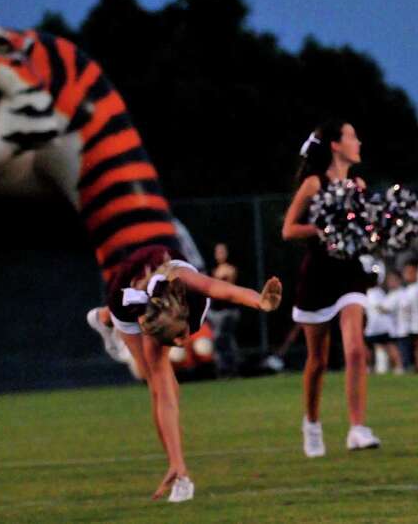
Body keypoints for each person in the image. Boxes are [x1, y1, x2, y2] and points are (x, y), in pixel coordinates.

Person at [100, 244, 281, 502]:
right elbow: (163, 396)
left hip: (159, 270)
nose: (181, 343)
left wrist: (260, 301)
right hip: (130, 295)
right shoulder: (134, 309)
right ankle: (105, 318)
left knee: (167, 386)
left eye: (180, 336)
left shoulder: (188, 284)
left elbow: (225, 291)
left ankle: (100, 317)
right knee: (156, 383)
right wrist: (177, 462)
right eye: (173, 341)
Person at [281, 120, 381, 457]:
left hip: (350, 272)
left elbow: (367, 229)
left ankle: (357, 428)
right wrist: (321, 228)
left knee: (355, 349)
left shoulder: (359, 184)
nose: (359, 142)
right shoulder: (313, 183)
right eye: (353, 136)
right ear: (336, 145)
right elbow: (288, 230)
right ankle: (311, 422)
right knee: (318, 361)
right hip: (318, 275)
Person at [206, 242, 243, 376]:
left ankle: (232, 367)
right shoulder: (212, 270)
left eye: (222, 251)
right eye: (218, 252)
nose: (220, 254)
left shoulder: (230, 269)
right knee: (218, 340)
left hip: (228, 311)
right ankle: (222, 368)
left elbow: (226, 287)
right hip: (215, 311)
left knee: (225, 339)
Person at [366, 269, 403, 375]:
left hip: (384, 326)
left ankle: (398, 367)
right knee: (377, 346)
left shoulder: (379, 292)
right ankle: (379, 367)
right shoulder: (368, 292)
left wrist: (377, 307)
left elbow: (384, 308)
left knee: (390, 346)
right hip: (372, 327)